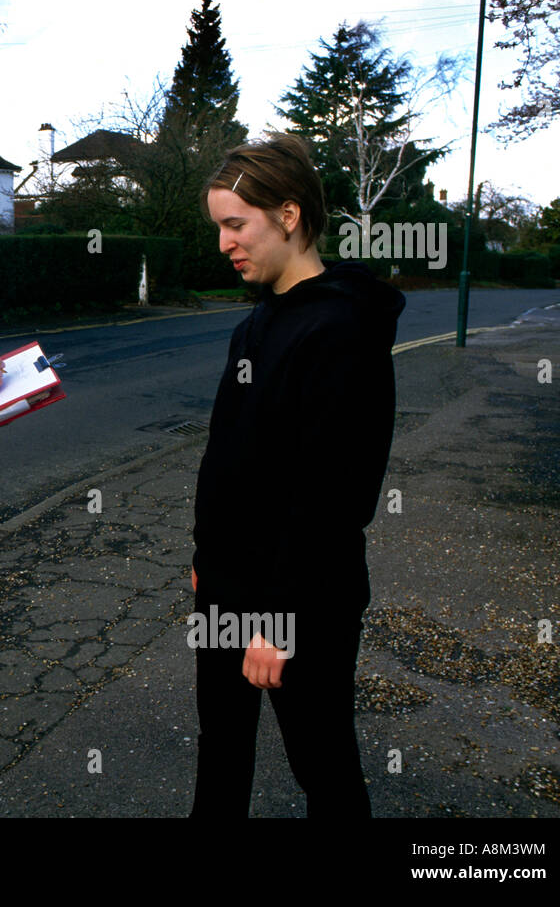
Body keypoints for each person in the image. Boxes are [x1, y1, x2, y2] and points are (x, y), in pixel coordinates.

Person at [188, 133, 404, 817]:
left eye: (235, 224)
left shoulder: (342, 328)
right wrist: (206, 560)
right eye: (219, 226)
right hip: (225, 588)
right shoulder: (254, 325)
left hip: (303, 598)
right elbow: (230, 457)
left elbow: (332, 497)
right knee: (221, 751)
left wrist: (277, 620)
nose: (225, 243)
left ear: (288, 215)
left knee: (323, 765)